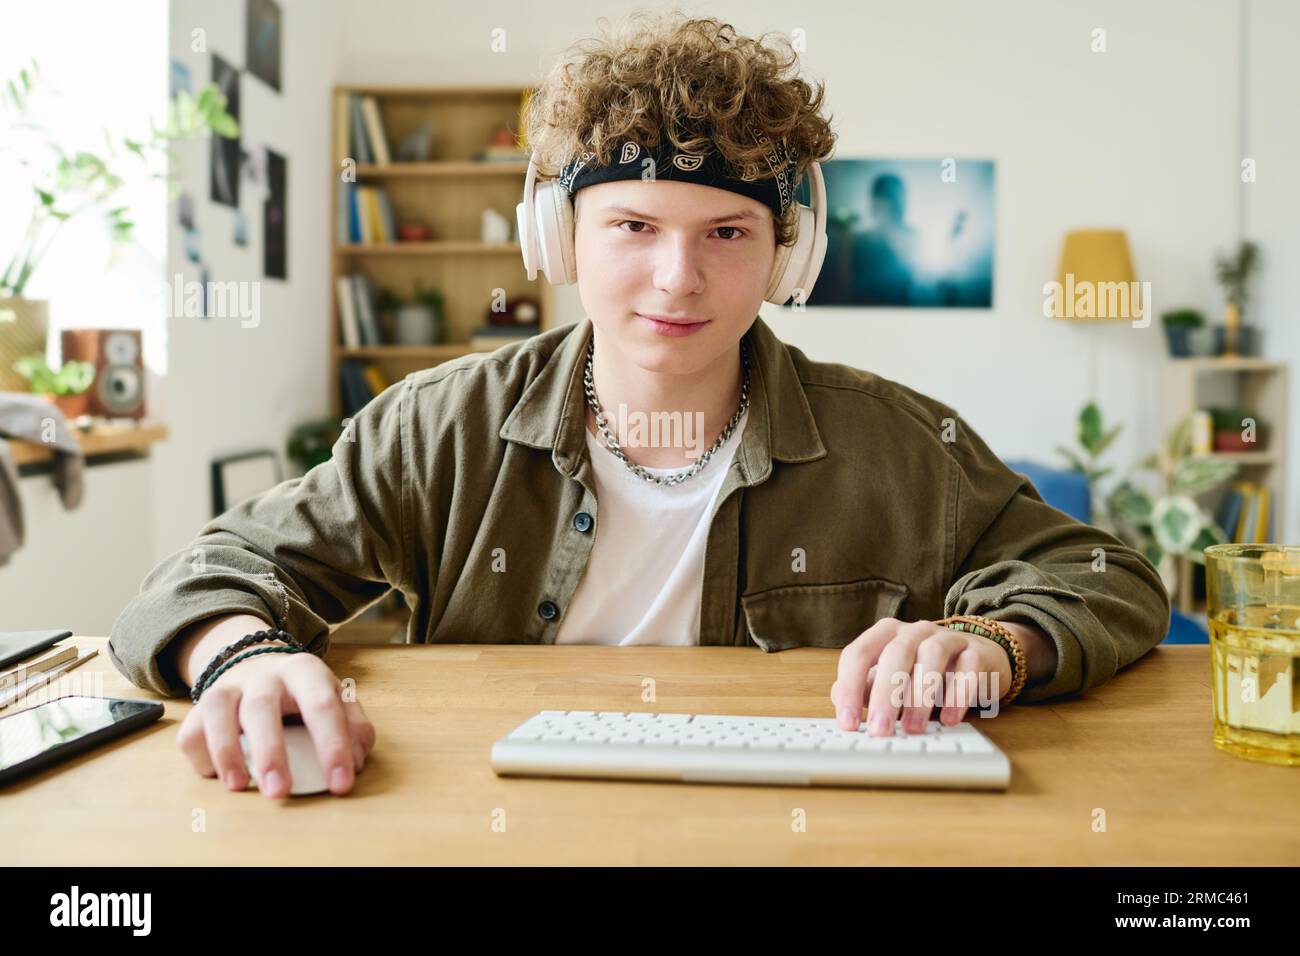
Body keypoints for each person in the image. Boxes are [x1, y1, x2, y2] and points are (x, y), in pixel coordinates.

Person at [109, 12, 1171, 799]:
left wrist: (995, 644)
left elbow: (1106, 574)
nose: (677, 279)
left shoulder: (895, 442)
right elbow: (200, 576)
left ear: (787, 256)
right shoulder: (437, 427)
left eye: (725, 232)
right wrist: (244, 656)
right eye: (631, 228)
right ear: (557, 239)